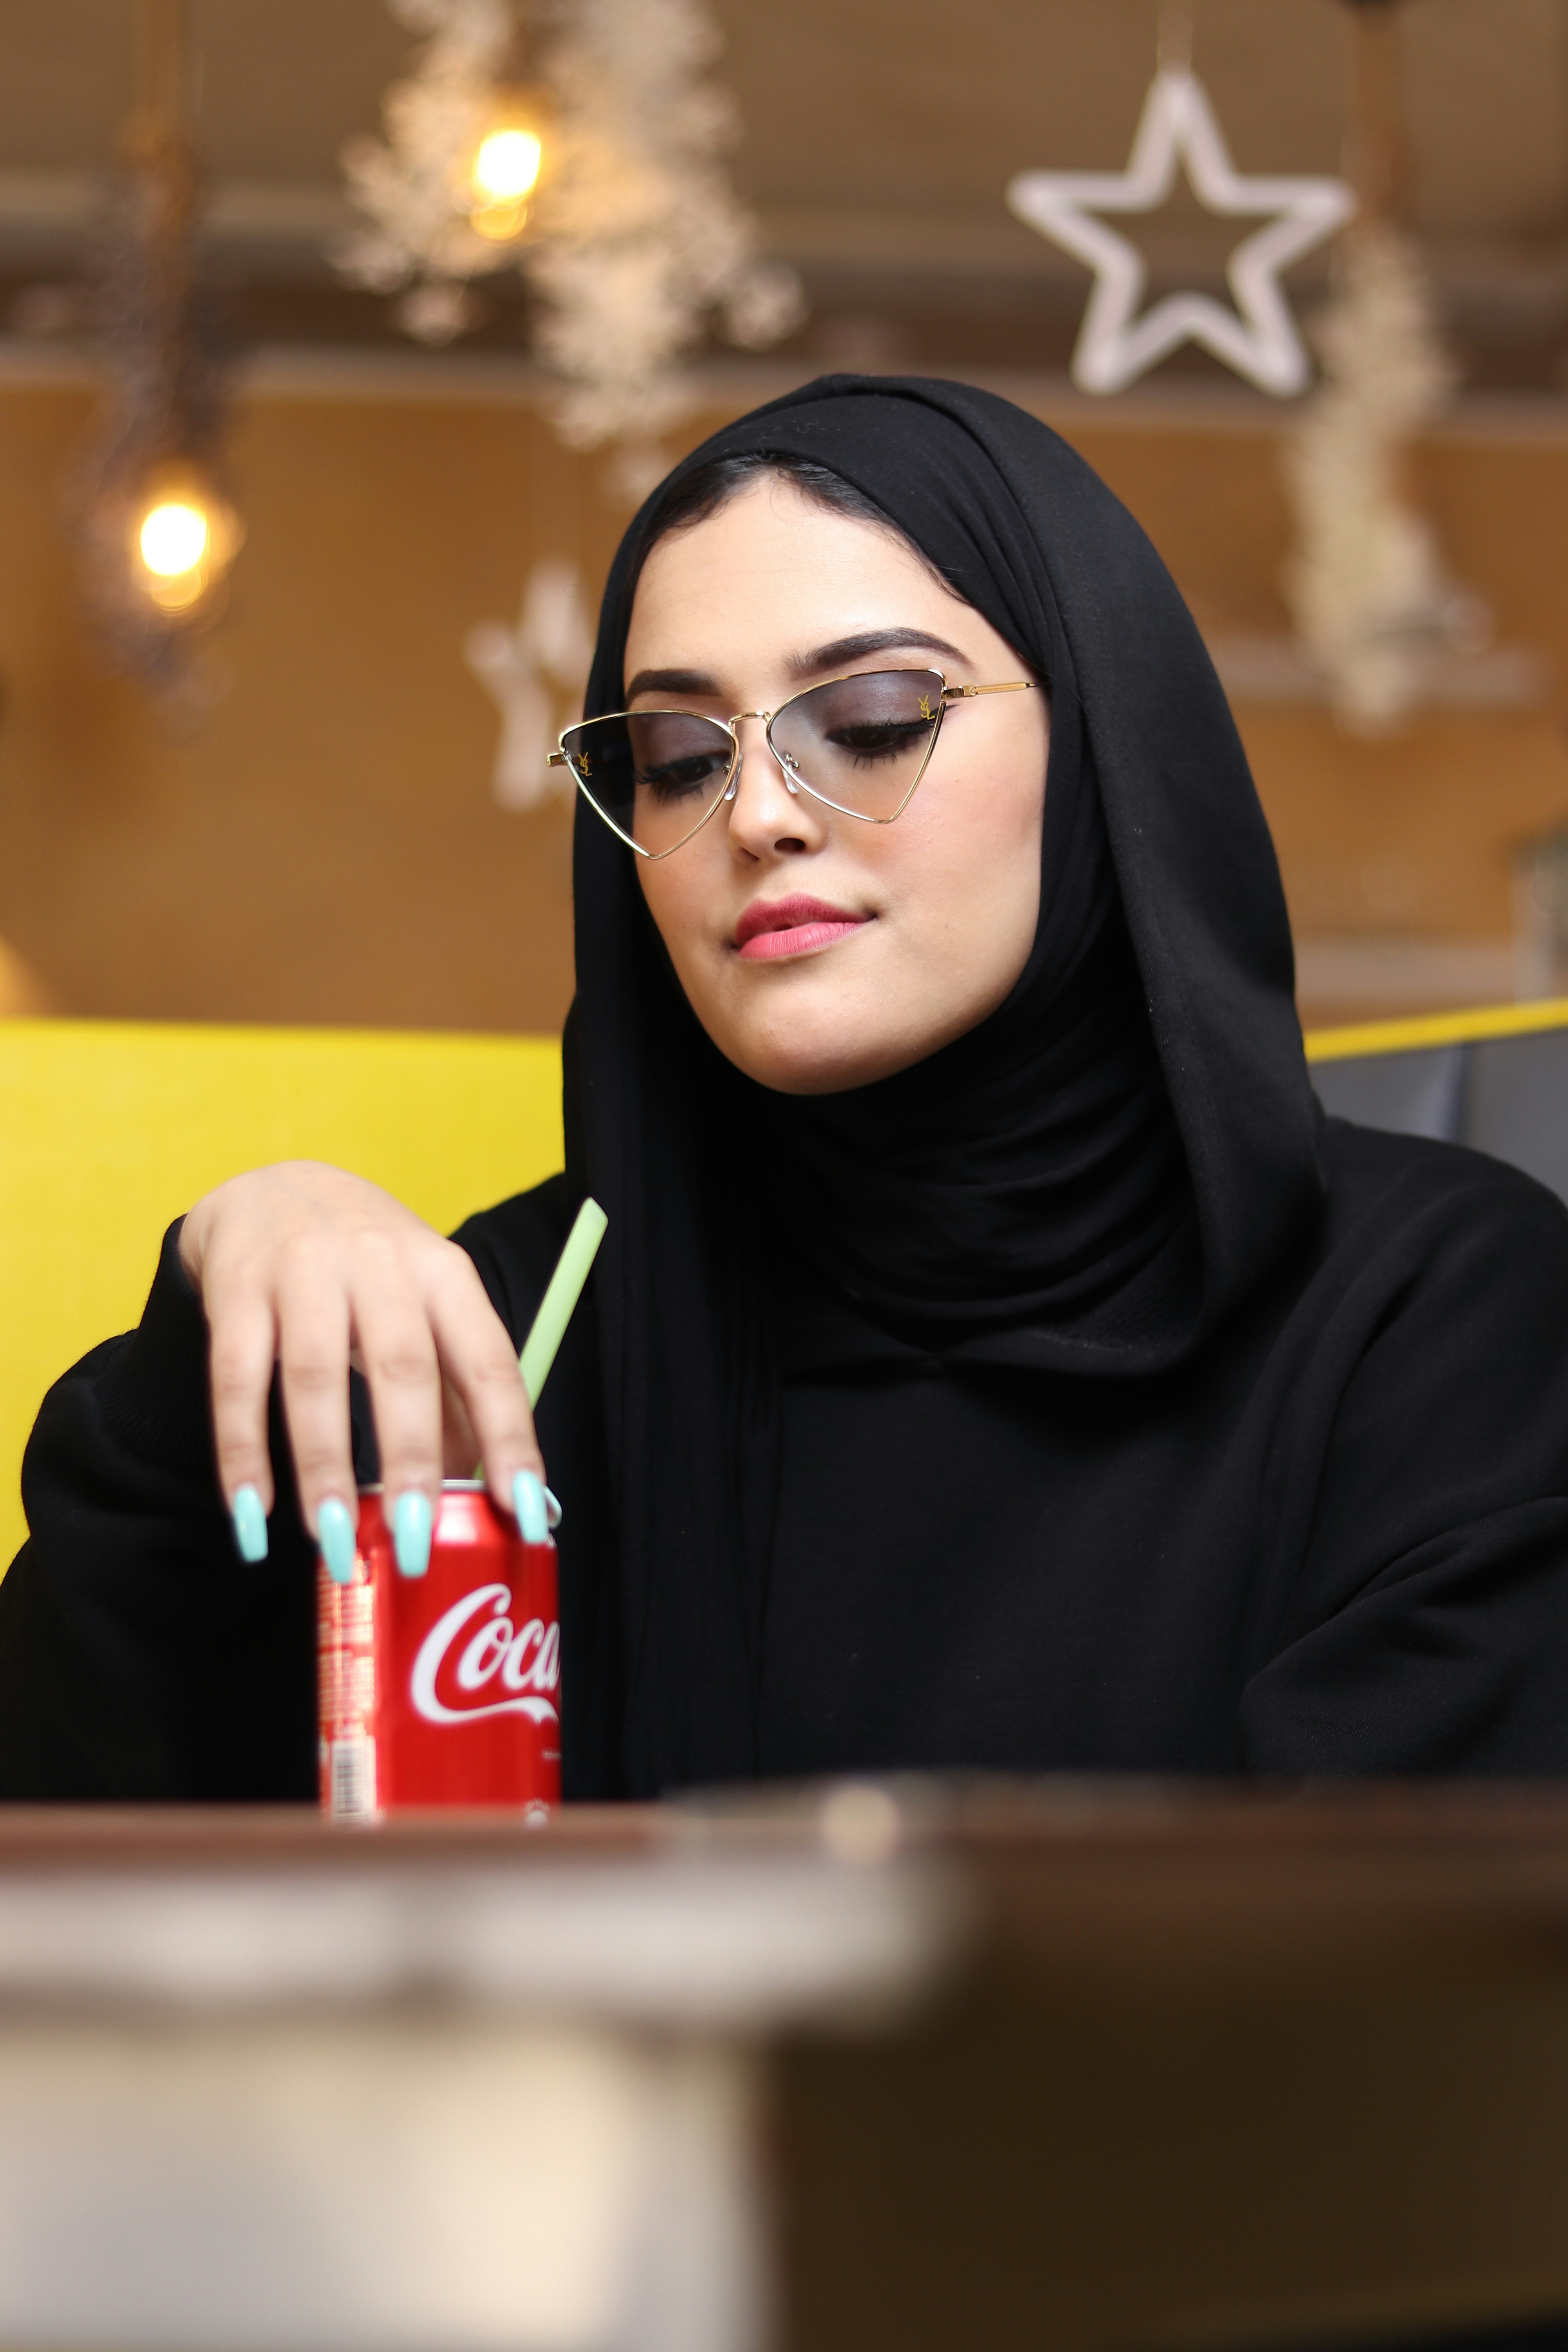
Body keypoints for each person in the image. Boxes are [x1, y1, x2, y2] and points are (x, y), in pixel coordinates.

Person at [5, 373, 1568, 1802]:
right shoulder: (510, 1343)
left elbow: (1392, 2027)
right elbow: (91, 1835)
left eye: (873, 722)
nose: (757, 812)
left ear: (1102, 749)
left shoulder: (1433, 1324)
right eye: (678, 757)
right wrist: (225, 1295)